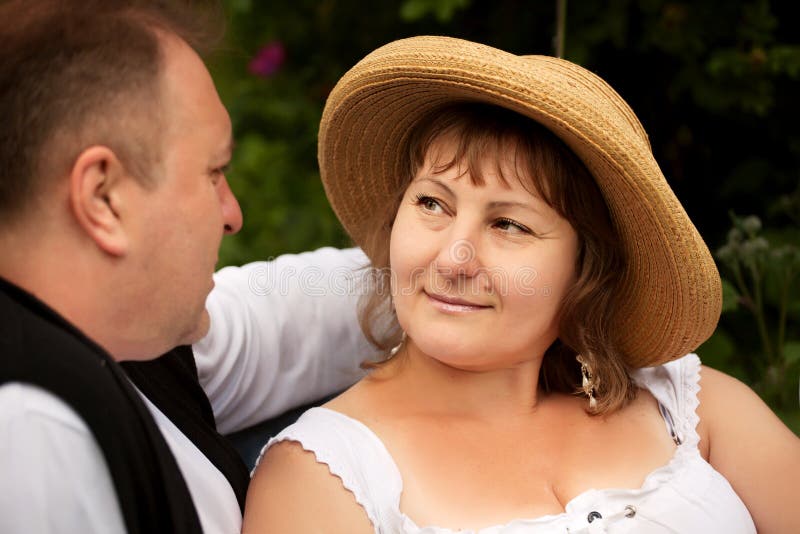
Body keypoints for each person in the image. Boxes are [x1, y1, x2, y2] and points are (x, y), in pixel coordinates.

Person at [244, 36, 800, 533]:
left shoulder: (680, 401)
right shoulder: (322, 478)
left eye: (508, 224)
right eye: (432, 203)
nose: (454, 257)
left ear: (586, 269)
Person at [0, 1, 371, 533]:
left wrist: (442, 273)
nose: (233, 215)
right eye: (213, 171)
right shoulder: (30, 430)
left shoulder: (119, 330)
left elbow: (284, 322)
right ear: (103, 197)